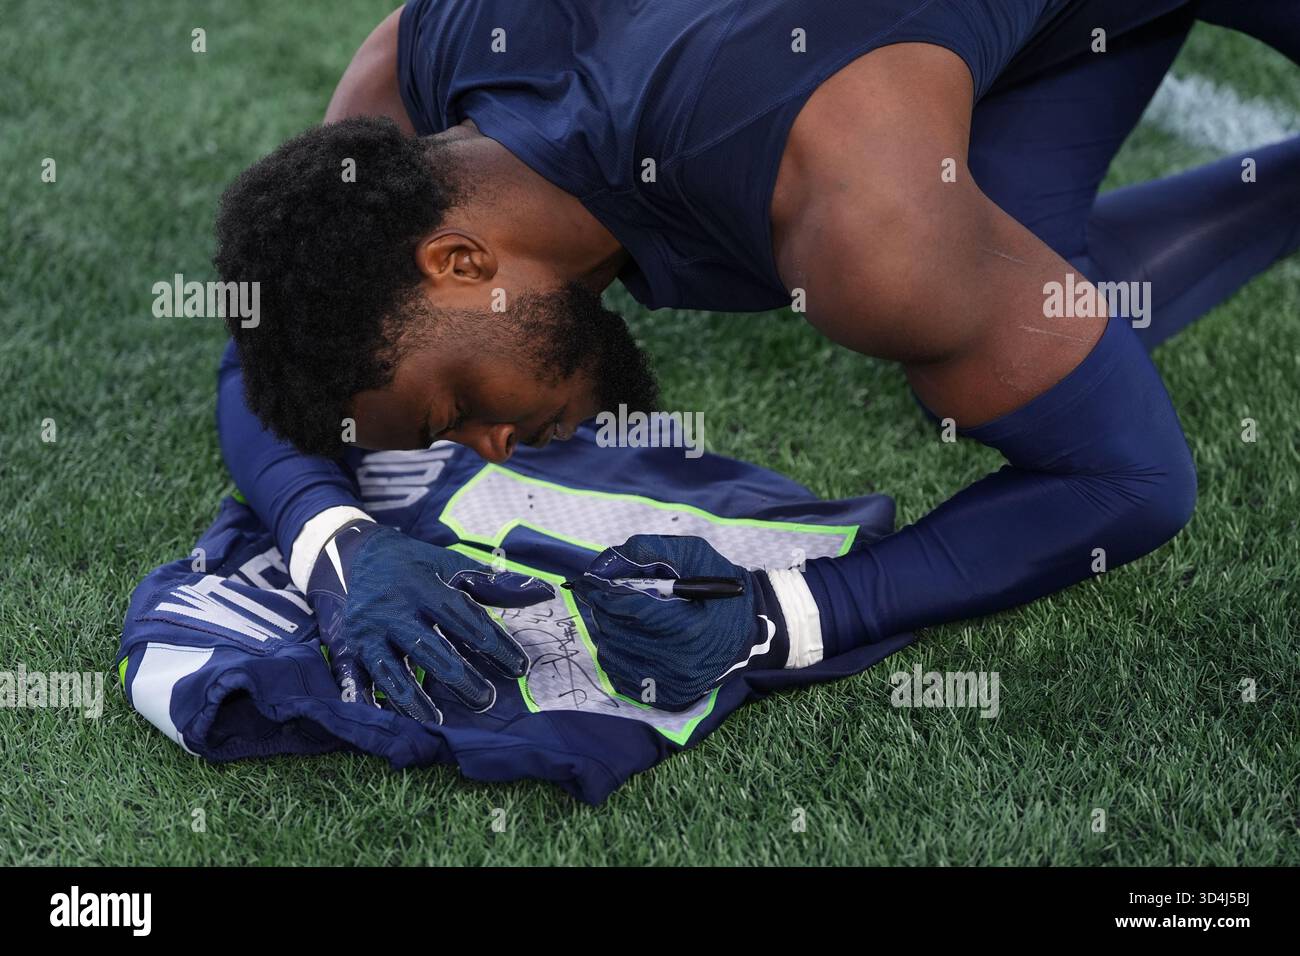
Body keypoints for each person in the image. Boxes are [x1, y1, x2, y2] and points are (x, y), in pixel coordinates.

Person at [214, 0, 1300, 717]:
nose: (487, 447)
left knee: (978, 327)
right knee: (1015, 327)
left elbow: (1131, 480)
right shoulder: (424, 71)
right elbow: (272, 320)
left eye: (453, 403)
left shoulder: (867, 230)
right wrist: (331, 537)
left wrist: (788, 616)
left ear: (456, 258)